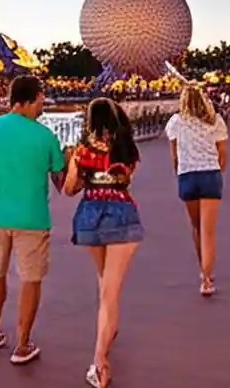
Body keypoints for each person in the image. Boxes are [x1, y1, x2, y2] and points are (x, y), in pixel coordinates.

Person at [0, 76, 65, 365]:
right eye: (43, 98)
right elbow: (62, 183)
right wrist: (73, 164)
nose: (44, 104)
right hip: (32, 218)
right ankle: (22, 344)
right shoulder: (46, 137)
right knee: (30, 279)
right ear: (35, 97)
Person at [63, 98, 143, 388]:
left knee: (105, 284)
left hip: (90, 217)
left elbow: (69, 188)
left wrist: (77, 168)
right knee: (111, 290)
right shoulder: (128, 151)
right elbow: (125, 180)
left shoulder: (82, 152)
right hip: (122, 215)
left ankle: (106, 336)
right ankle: (100, 360)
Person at [165, 83, 229, 297]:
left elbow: (174, 155)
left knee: (196, 227)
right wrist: (218, 171)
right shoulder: (215, 121)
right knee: (208, 231)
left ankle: (203, 269)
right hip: (210, 174)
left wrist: (179, 173)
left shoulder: (176, 122)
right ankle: (207, 280)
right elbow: (222, 153)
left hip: (187, 175)